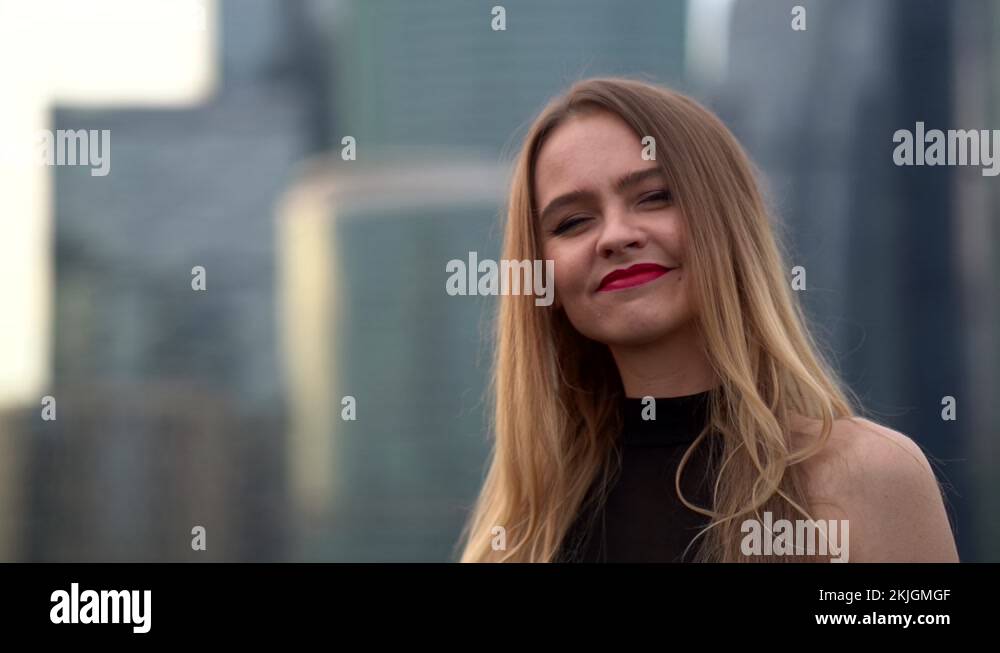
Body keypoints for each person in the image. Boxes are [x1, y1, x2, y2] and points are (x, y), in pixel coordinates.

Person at [457, 77, 959, 563]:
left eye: (654, 196)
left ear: (726, 221)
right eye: (572, 222)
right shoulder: (519, 535)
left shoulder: (865, 478)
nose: (615, 235)